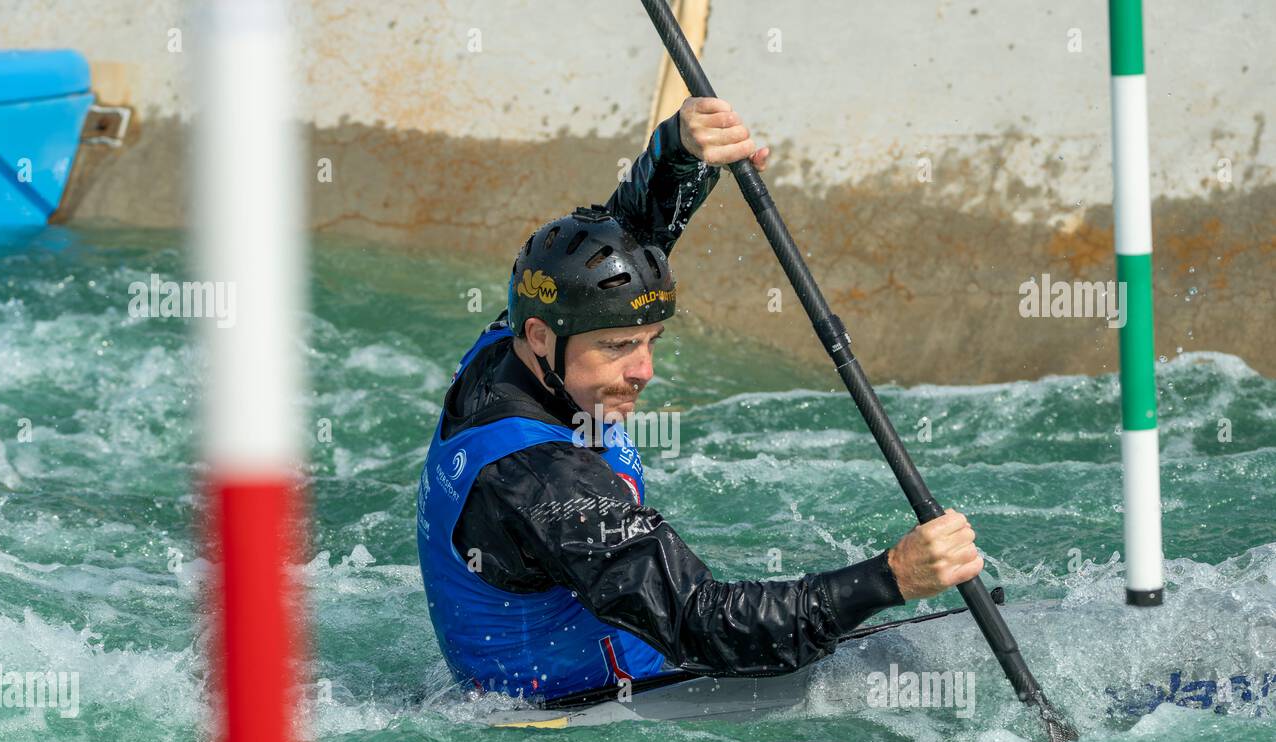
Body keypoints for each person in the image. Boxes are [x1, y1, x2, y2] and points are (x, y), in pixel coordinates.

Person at [417, 97, 984, 700]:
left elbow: (623, 242)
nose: (644, 371)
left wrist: (680, 151)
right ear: (542, 337)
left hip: (615, 658)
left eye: (650, 341)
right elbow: (702, 623)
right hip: (586, 713)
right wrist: (888, 579)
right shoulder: (547, 485)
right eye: (617, 347)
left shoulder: (511, 347)